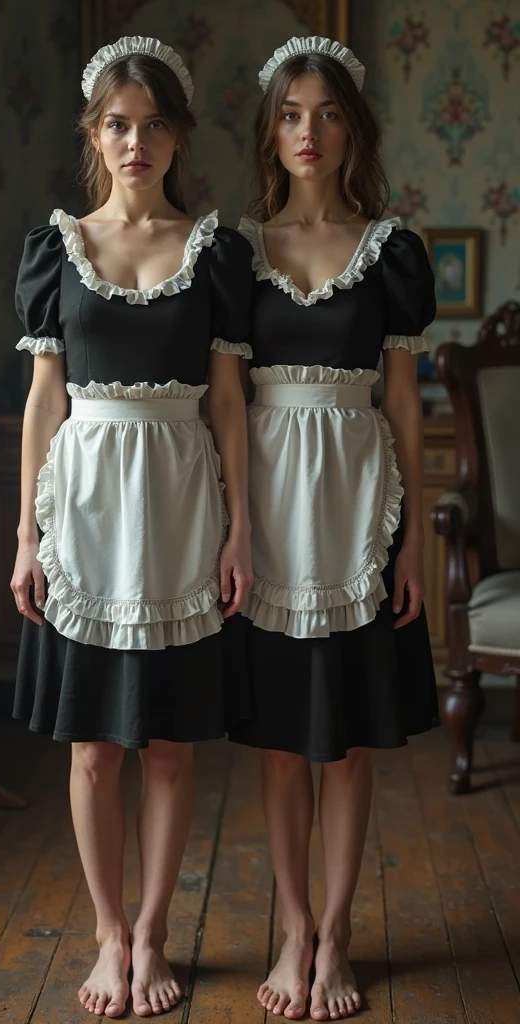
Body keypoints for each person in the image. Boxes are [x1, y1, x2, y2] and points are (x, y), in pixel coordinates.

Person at [10, 35, 253, 1019]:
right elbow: (41, 402)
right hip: (85, 510)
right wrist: (27, 536)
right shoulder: (54, 248)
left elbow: (229, 401)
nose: (135, 140)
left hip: (180, 505)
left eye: (153, 125)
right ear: (94, 133)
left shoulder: (214, 251)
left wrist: (239, 531)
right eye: (118, 123)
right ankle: (108, 934)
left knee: (166, 745)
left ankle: (155, 930)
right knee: (91, 750)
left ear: (177, 136)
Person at [229, 36, 439, 1021]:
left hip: (358, 505)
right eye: (289, 113)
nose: (307, 131)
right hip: (269, 512)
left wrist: (414, 543)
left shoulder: (390, 251)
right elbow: (224, 407)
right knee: (281, 742)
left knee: (345, 740)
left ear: (352, 125)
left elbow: (401, 405)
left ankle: (340, 929)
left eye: (326, 112)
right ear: (270, 133)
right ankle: (293, 926)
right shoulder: (234, 251)